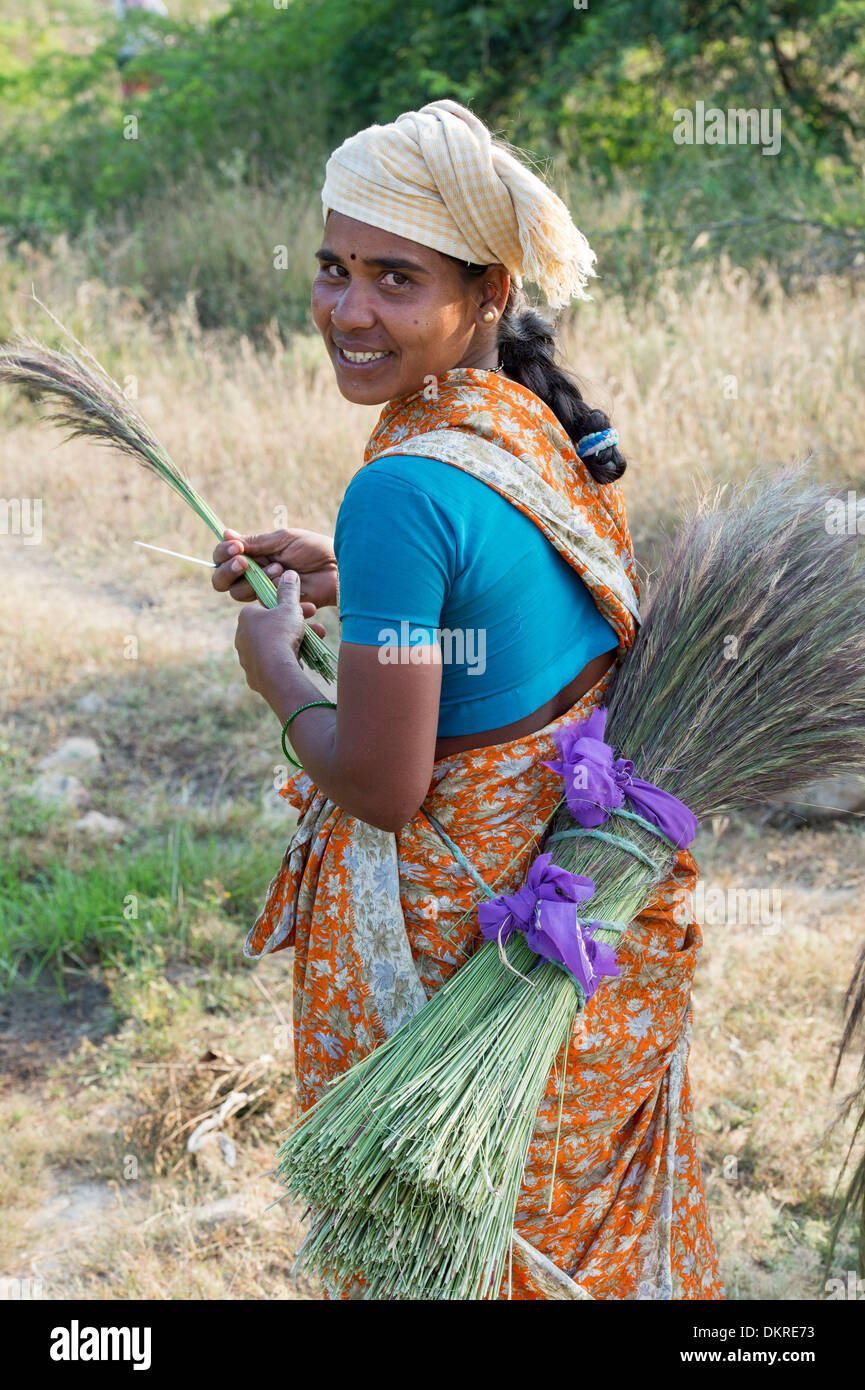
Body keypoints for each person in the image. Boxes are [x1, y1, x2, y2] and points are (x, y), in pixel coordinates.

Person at [210, 98, 724, 1301]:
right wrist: (357, 586)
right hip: (574, 922)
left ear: (487, 290)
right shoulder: (531, 422)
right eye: (333, 268)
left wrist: (276, 669)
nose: (347, 309)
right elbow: (513, 619)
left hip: (459, 957)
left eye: (396, 278)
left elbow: (386, 787)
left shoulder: (399, 489)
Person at [114, 0, 168, 100]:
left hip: (150, 53)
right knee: (129, 92)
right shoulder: (119, 3)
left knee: (154, 88)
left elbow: (164, 22)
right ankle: (130, 112)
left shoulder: (154, 4)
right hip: (128, 54)